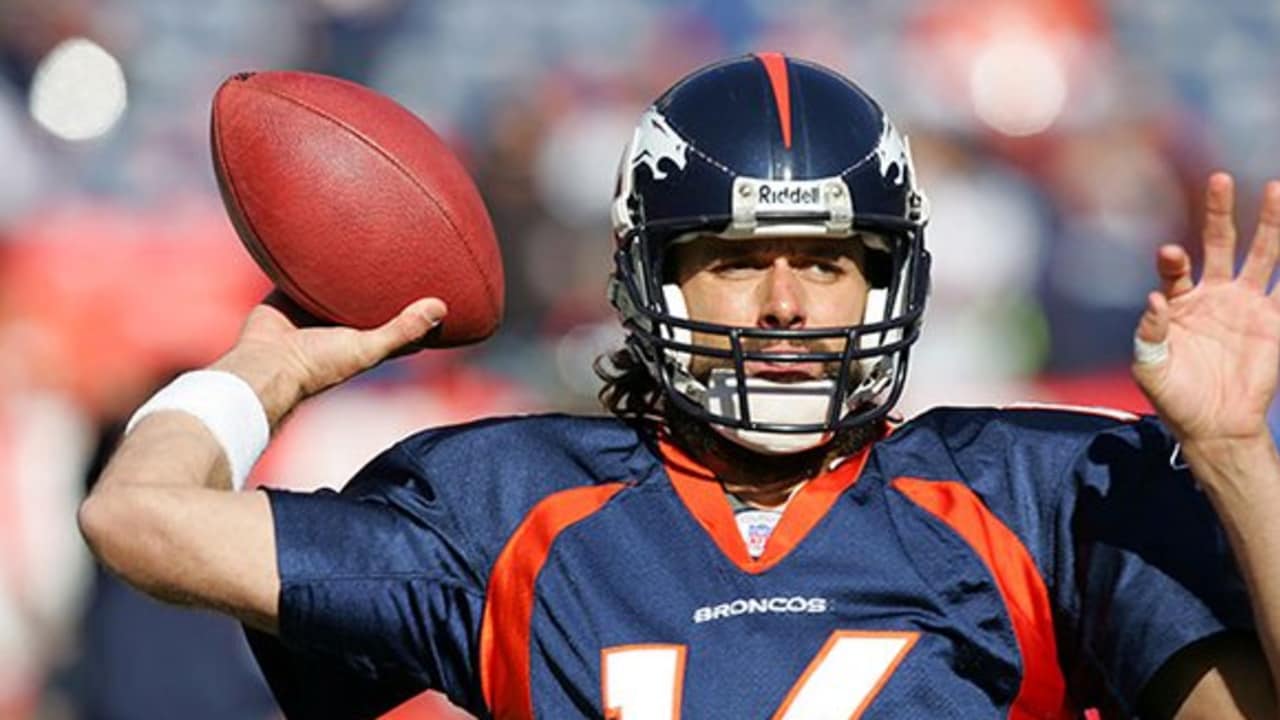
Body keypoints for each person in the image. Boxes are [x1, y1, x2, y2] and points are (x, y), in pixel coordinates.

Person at [79, 53, 1280, 719]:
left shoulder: (1034, 493)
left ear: (889, 280)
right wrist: (263, 366)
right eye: (733, 261)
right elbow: (137, 518)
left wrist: (1233, 456)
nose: (782, 302)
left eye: (823, 260)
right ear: (648, 280)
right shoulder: (505, 505)